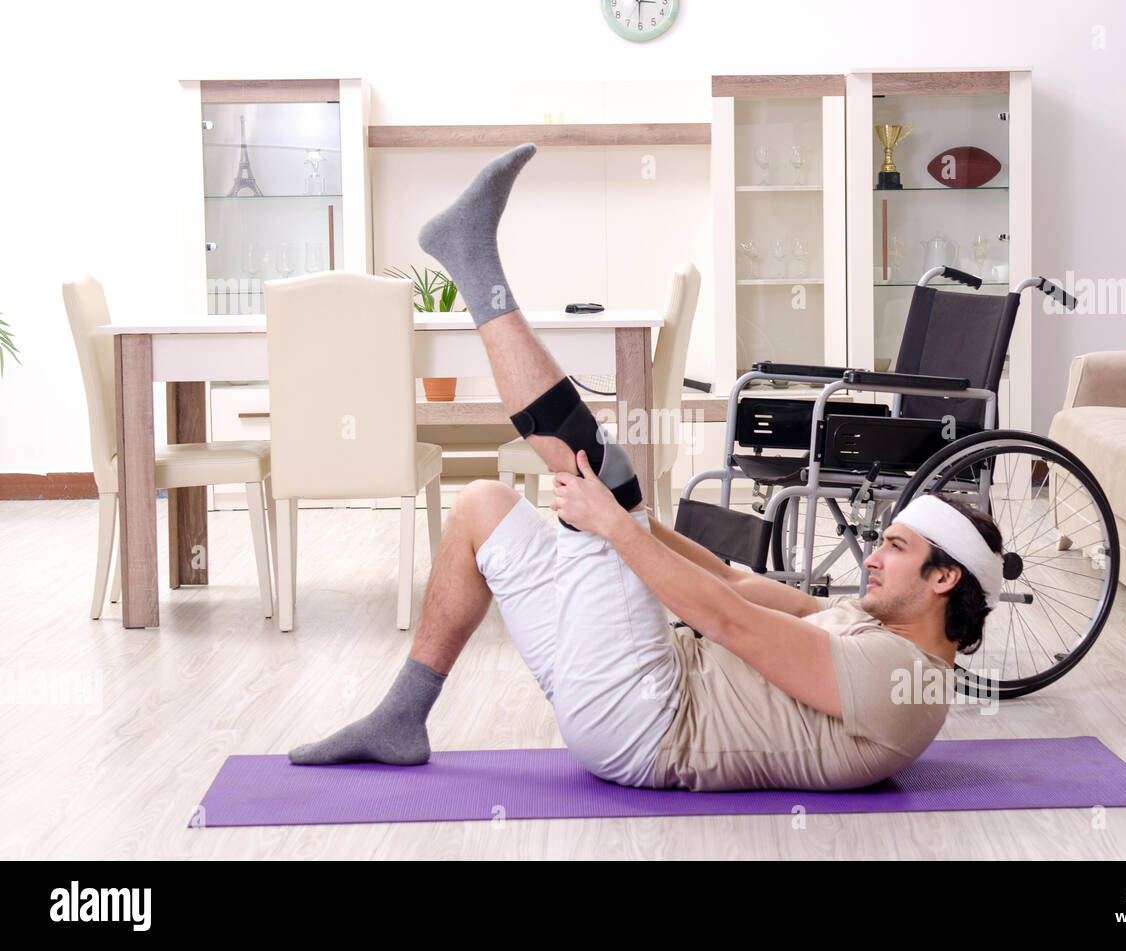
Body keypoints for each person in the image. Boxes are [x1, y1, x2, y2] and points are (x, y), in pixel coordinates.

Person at [287, 143, 1005, 791]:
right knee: (483, 506)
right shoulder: (869, 625)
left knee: (606, 469)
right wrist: (641, 524)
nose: (874, 555)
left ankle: (473, 260)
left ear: (945, 578)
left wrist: (618, 520)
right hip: (634, 678)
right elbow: (734, 582)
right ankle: (401, 718)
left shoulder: (903, 680)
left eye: (896, 547)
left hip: (648, 722)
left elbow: (727, 621)